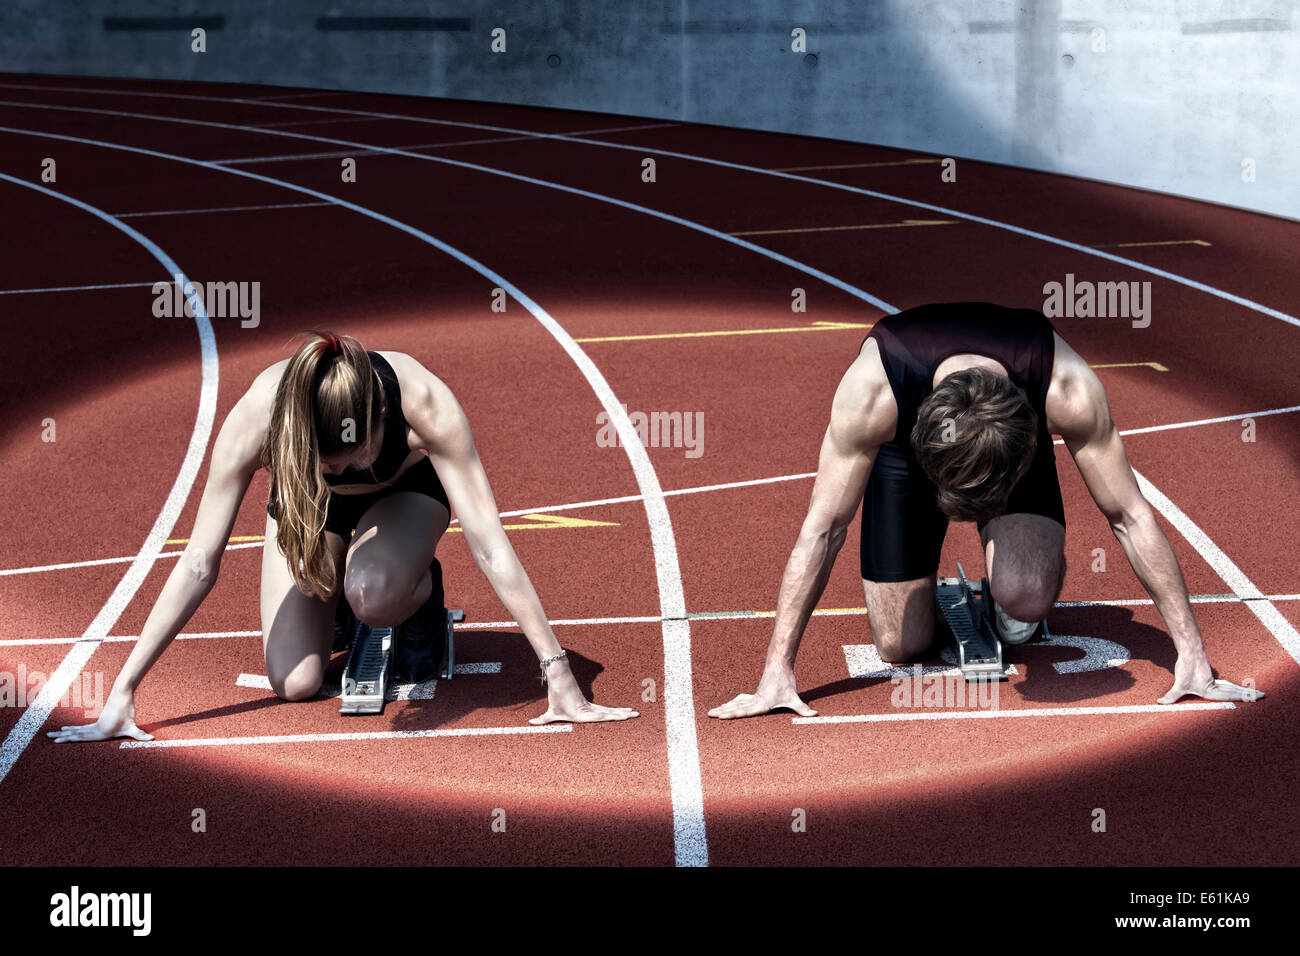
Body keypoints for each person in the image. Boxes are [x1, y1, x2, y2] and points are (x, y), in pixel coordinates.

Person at [51, 331, 637, 743]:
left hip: (402, 499)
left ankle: (415, 591)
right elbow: (201, 561)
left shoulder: (424, 404)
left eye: (347, 459)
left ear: (380, 417)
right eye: (322, 462)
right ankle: (338, 594)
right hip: (312, 512)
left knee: (374, 594)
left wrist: (559, 676)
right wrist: (124, 690)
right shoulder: (260, 416)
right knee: (295, 682)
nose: (337, 469)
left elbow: (489, 541)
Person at [709, 301, 1263, 719]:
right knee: (900, 647)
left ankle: (1007, 588)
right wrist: (776, 670)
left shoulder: (1065, 390)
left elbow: (1129, 514)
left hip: (1005, 444)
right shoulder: (872, 397)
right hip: (909, 451)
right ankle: (946, 565)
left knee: (1024, 597)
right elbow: (825, 528)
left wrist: (1192, 655)